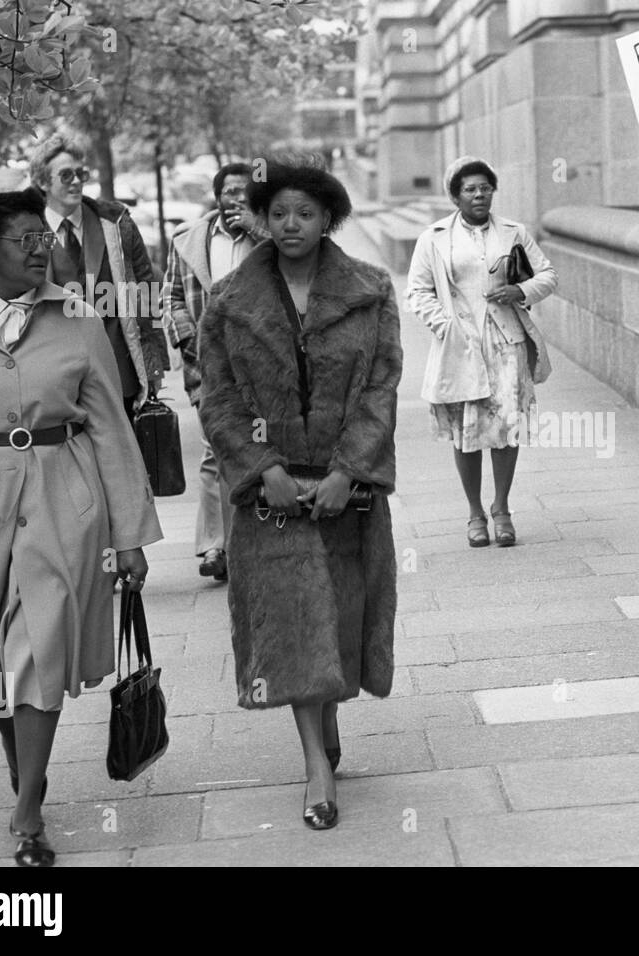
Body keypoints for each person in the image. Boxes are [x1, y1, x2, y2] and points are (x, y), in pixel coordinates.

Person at [0, 191, 161, 866]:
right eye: (23, 239)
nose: (40, 247)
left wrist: (129, 534)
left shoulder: (78, 319)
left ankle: (28, 817)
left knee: (38, 648)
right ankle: (22, 752)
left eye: (42, 237)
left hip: (62, 497)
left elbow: (111, 425)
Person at [199, 159, 401, 831]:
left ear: (329, 220)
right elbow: (218, 399)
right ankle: (315, 764)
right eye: (279, 213)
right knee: (293, 625)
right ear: (262, 217)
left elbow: (380, 389)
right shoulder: (229, 300)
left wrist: (350, 470)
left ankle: (331, 715)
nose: (291, 225)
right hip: (272, 497)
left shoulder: (370, 290)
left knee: (339, 621)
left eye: (306, 214)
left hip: (346, 490)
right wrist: (260, 469)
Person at [406, 157, 557, 548]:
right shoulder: (435, 237)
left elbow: (547, 275)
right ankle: (474, 513)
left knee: (508, 425)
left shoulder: (513, 233)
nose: (478, 195)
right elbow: (416, 292)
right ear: (455, 195)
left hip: (506, 341)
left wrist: (519, 291)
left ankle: (502, 509)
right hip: (460, 344)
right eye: (470, 189)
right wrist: (444, 324)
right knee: (467, 431)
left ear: (493, 191)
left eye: (485, 188)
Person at [162, 162, 263, 583]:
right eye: (229, 191)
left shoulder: (269, 237)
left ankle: (254, 541)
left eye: (244, 192)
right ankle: (216, 546)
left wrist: (259, 230)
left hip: (259, 366)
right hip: (207, 365)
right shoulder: (188, 242)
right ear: (217, 196)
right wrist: (189, 340)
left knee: (258, 448)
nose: (236, 198)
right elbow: (170, 297)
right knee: (213, 452)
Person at [28, 132, 168, 421]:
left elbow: (147, 291)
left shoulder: (116, 223)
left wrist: (154, 365)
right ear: (43, 182)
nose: (77, 181)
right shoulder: (29, 232)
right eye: (66, 175)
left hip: (120, 372)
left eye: (81, 173)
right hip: (55, 374)